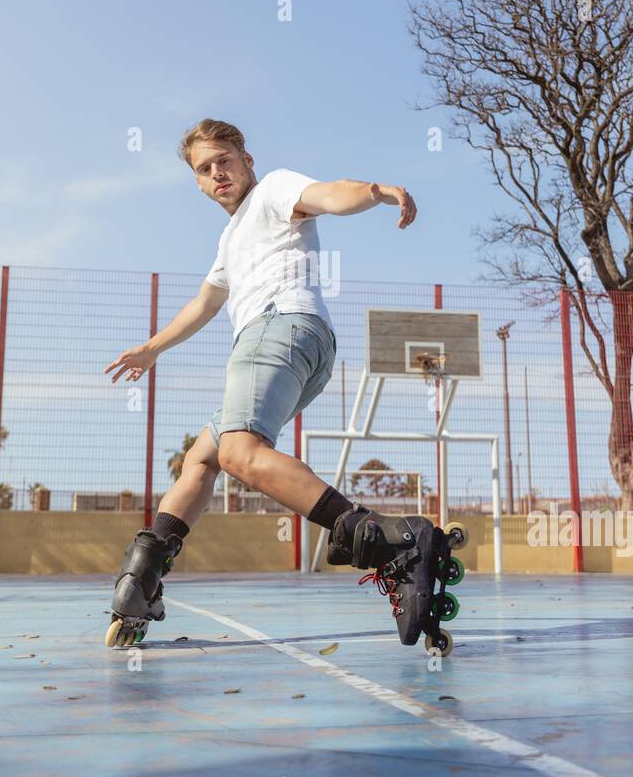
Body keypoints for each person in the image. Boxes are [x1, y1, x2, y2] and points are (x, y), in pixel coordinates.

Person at [103, 117, 442, 650]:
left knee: (240, 451)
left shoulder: (273, 190)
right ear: (196, 181)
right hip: (287, 343)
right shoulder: (230, 237)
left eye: (225, 160)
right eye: (205, 168)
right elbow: (204, 304)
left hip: (279, 328)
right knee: (203, 458)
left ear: (247, 161)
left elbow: (327, 195)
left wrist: (376, 192)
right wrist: (152, 349)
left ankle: (391, 544)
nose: (218, 173)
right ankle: (141, 581)